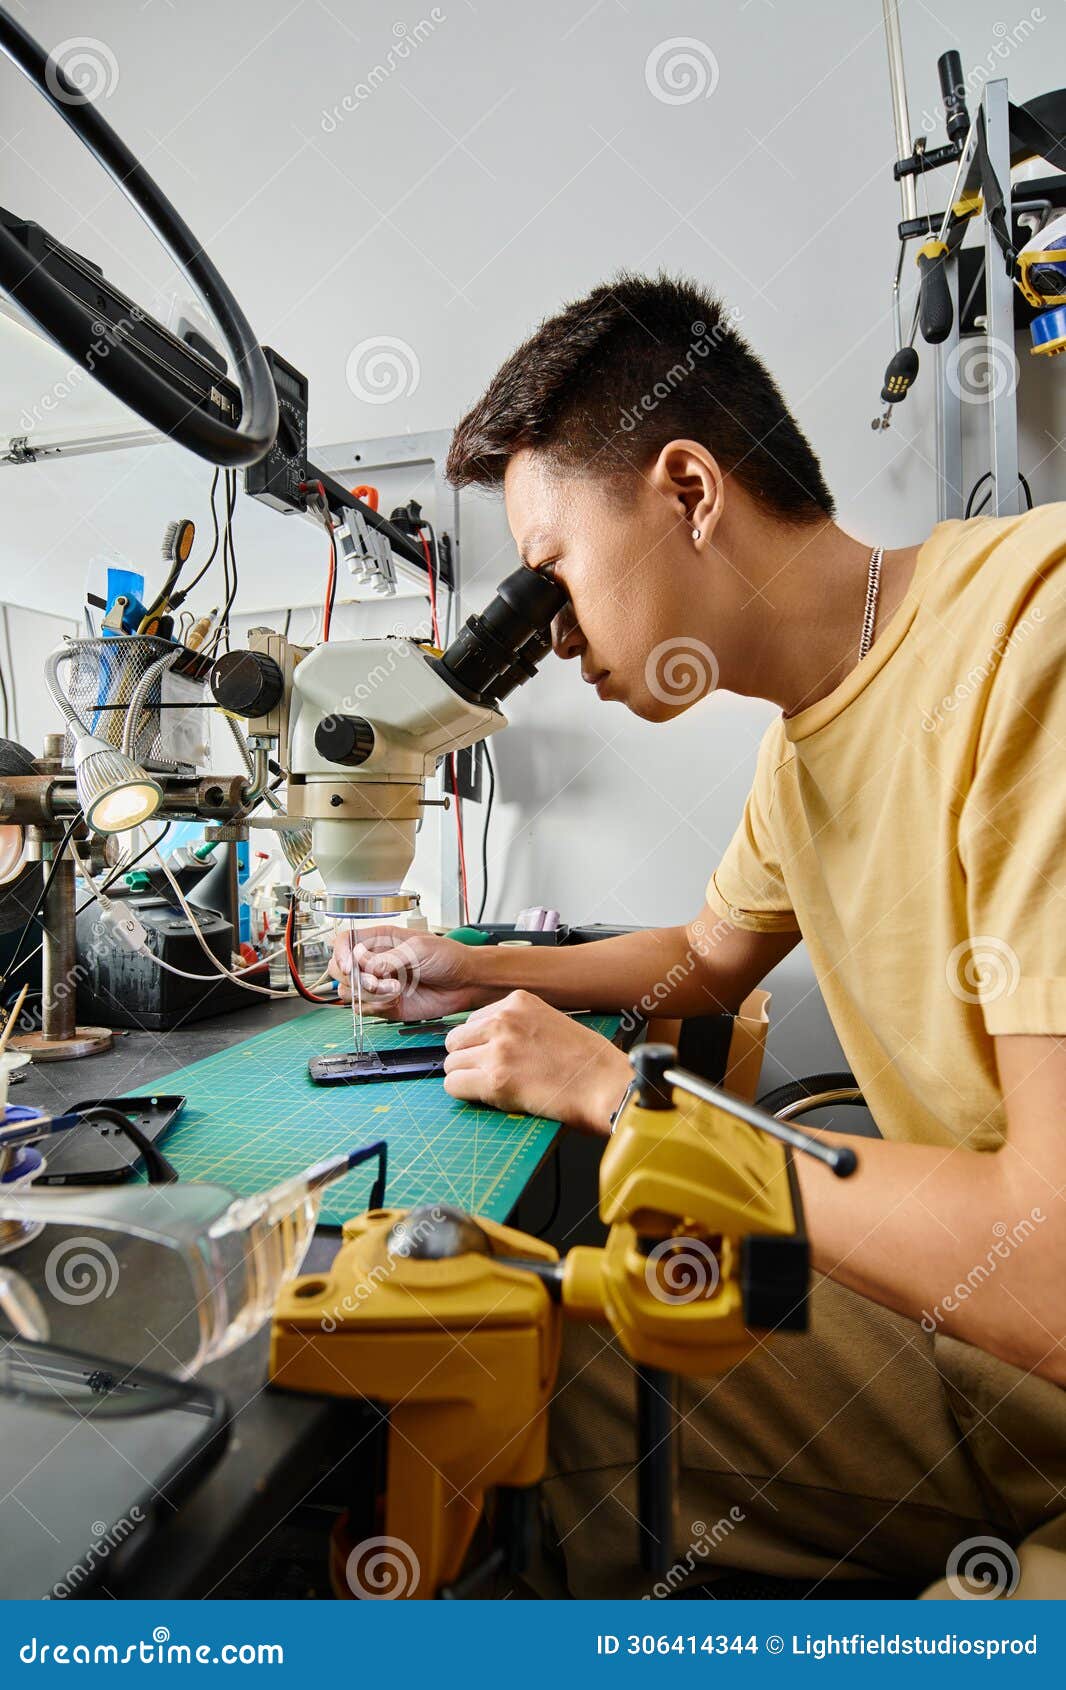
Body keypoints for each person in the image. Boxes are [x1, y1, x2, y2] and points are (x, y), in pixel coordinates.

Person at [330, 273, 1066, 1597]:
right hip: (961, 1351)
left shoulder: (1031, 635)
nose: (548, 639)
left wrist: (621, 1094)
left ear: (686, 489)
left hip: (1035, 1349)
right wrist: (471, 965)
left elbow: (1052, 1267)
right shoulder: (808, 746)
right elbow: (706, 956)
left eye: (552, 573)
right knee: (526, 1368)